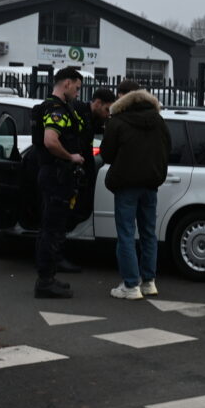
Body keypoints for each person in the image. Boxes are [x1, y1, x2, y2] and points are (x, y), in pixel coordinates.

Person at [100, 87, 171, 300]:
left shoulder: (117, 122)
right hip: (151, 184)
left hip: (126, 184)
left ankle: (131, 285)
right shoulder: (158, 121)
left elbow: (106, 154)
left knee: (126, 234)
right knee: (149, 233)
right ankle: (149, 282)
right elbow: (168, 147)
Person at [33, 67, 86, 299]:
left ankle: (49, 276)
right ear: (67, 83)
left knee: (52, 228)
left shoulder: (62, 108)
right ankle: (45, 282)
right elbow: (51, 141)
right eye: (77, 87)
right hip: (56, 175)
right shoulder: (55, 109)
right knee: (51, 230)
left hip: (56, 175)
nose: (77, 92)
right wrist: (71, 157)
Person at [63, 86, 116, 249]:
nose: (107, 114)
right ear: (98, 103)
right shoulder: (77, 112)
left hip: (83, 169)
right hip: (69, 169)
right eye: (106, 109)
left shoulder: (95, 119)